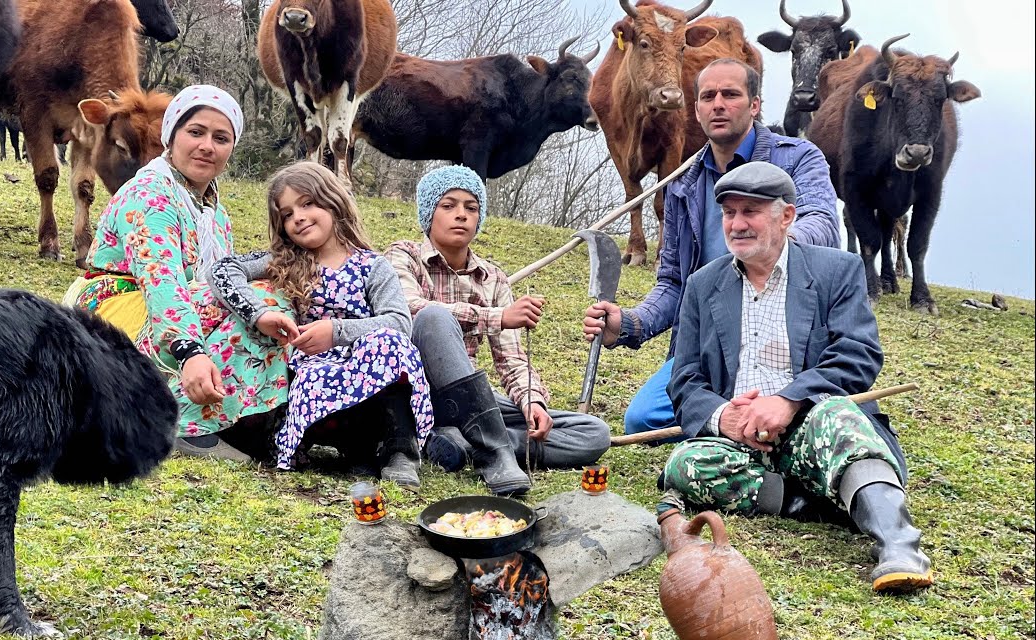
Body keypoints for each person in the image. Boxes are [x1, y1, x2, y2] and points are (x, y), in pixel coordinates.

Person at [659, 161, 931, 593]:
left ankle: (899, 544)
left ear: (786, 216)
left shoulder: (836, 271)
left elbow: (858, 357)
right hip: (743, 440)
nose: (737, 224)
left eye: (751, 211)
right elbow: (685, 377)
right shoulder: (701, 285)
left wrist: (787, 401)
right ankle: (811, 502)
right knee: (685, 465)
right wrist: (722, 418)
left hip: (812, 424)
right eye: (730, 213)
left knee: (836, 416)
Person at [583, 58, 841, 437]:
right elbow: (674, 283)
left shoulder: (799, 157)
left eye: (731, 94)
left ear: (755, 105)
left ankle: (764, 408)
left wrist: (770, 246)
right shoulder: (681, 182)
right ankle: (731, 411)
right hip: (710, 344)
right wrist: (630, 324)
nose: (718, 104)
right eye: (708, 96)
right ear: (697, 110)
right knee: (641, 420)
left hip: (784, 333)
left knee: (806, 412)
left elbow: (822, 223)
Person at [63, 85, 291, 461]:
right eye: (195, 132)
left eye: (221, 138)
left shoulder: (213, 211)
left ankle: (225, 416)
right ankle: (177, 421)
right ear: (171, 136)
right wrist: (190, 355)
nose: (207, 146)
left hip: (173, 310)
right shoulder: (150, 193)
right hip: (111, 315)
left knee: (263, 300)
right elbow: (162, 282)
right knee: (242, 301)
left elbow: (221, 280)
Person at [386, 166, 611, 497]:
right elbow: (408, 310)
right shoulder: (402, 256)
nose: (460, 215)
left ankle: (467, 441)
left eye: (471, 208)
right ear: (428, 214)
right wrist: (497, 316)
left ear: (480, 218)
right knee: (434, 317)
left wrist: (532, 401)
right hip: (410, 395)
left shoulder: (493, 278)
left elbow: (512, 359)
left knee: (594, 432)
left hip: (467, 404)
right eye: (448, 206)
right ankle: (494, 453)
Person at [206, 162, 433, 486]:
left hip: (367, 362)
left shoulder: (372, 265)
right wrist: (261, 314)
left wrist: (337, 332)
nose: (297, 216)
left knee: (389, 345)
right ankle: (354, 448)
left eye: (307, 203)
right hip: (312, 368)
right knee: (305, 374)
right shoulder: (285, 261)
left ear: (334, 203)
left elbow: (399, 322)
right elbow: (222, 271)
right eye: (286, 213)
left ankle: (399, 449)